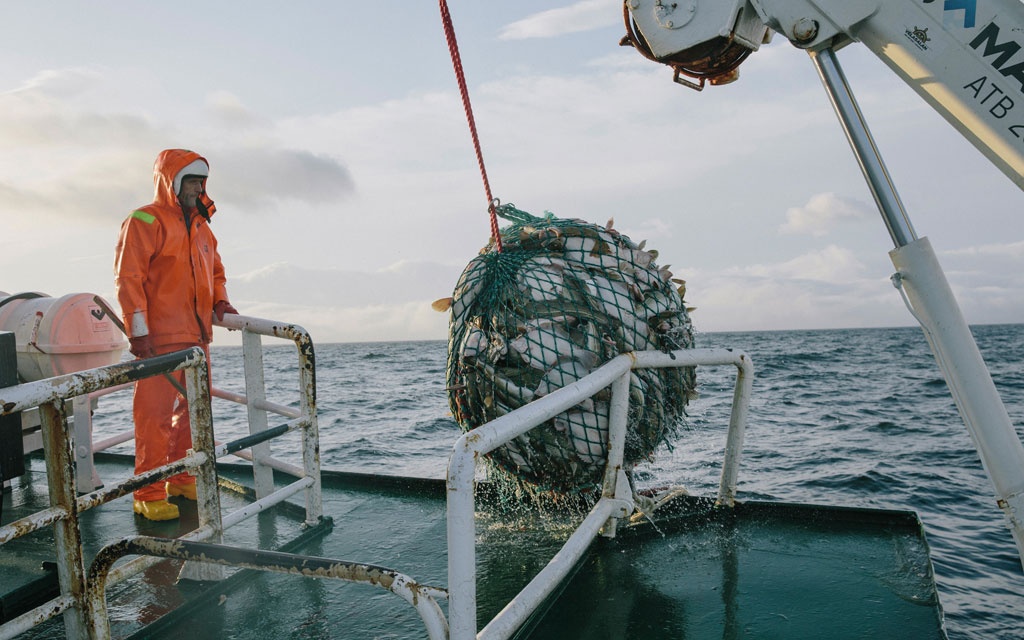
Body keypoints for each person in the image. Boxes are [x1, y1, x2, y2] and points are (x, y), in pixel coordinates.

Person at [114, 149, 238, 521]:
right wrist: (138, 332)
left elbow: (216, 273)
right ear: (171, 181)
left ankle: (182, 477)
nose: (199, 187)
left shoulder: (203, 228)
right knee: (152, 416)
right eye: (192, 180)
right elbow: (128, 278)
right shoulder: (143, 220)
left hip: (197, 339)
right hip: (159, 340)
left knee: (195, 411)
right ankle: (147, 491)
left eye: (202, 180)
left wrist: (222, 303)